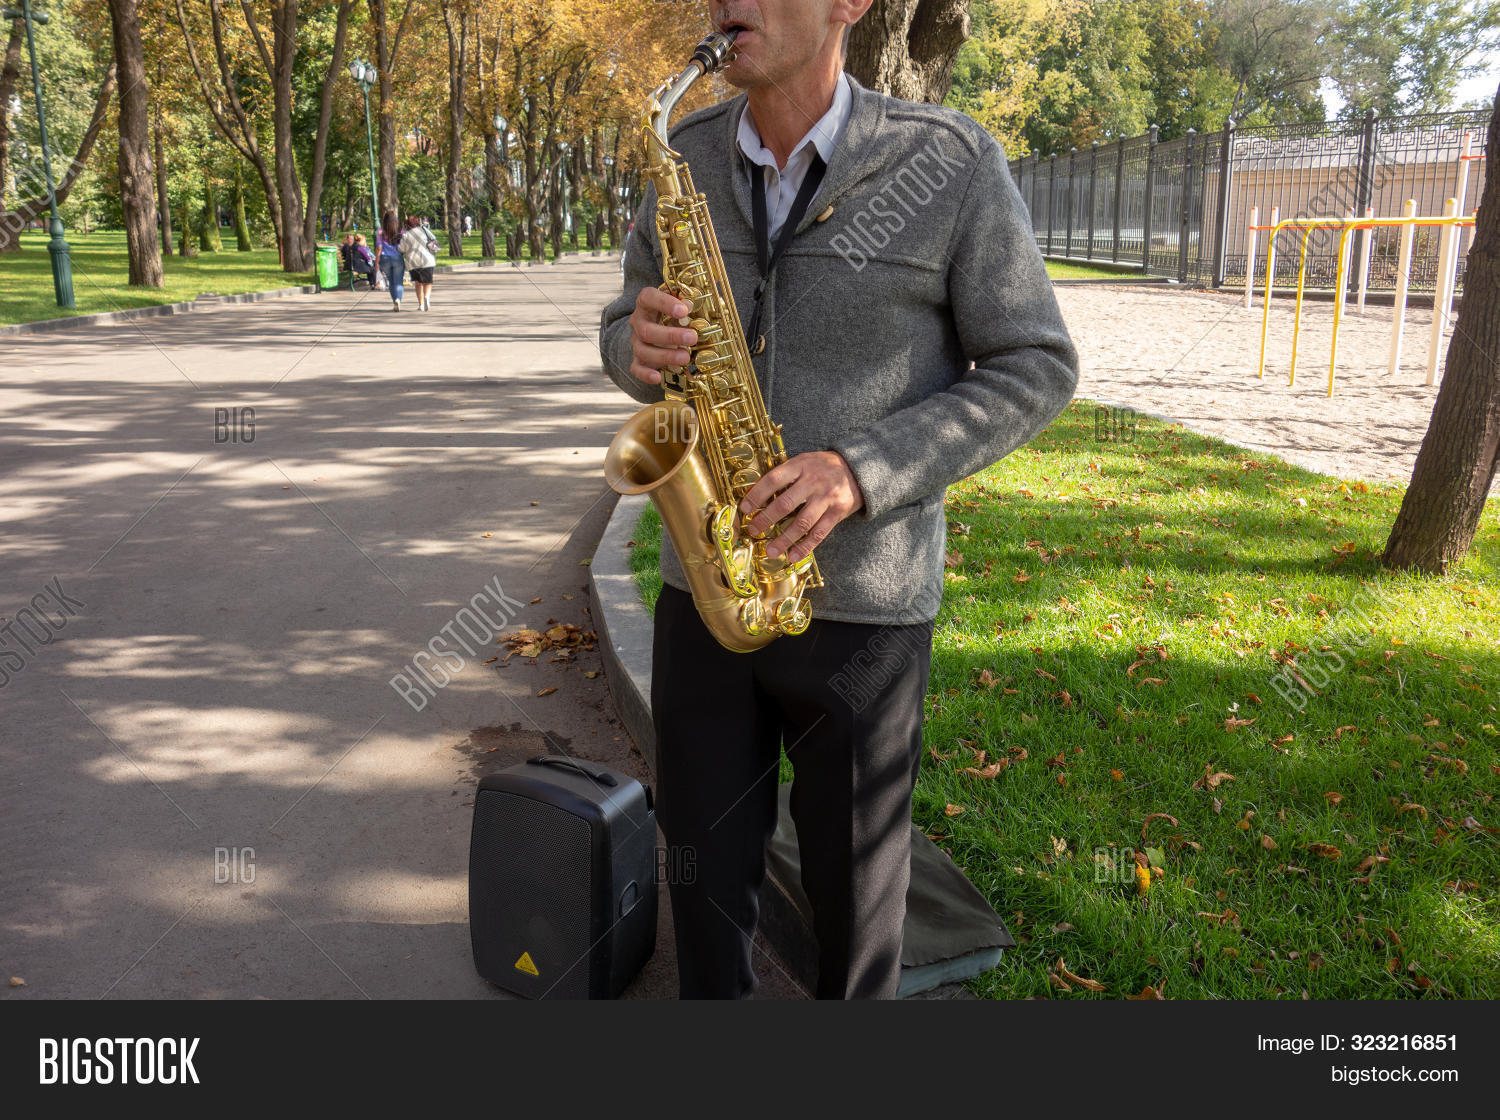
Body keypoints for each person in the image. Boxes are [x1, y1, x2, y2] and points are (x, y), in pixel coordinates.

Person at [597, 0, 1078, 1000]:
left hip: (865, 605)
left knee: (858, 912)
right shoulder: (680, 152)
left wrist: (863, 469)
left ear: (848, 5)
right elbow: (625, 325)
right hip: (707, 590)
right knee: (706, 885)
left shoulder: (950, 161)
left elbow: (1036, 364)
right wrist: (629, 345)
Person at [399, 214, 438, 311]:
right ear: (418, 222)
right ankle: (427, 297)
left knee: (418, 283)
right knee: (428, 282)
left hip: (413, 262)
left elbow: (402, 249)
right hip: (427, 260)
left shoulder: (406, 235)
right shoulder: (424, 230)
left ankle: (420, 304)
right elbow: (434, 239)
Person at [376, 211, 405, 310]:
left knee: (391, 281)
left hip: (385, 259)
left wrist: (376, 262)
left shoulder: (380, 232)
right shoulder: (400, 231)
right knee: (399, 281)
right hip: (397, 257)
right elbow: (404, 245)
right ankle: (398, 299)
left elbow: (379, 248)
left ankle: (394, 302)